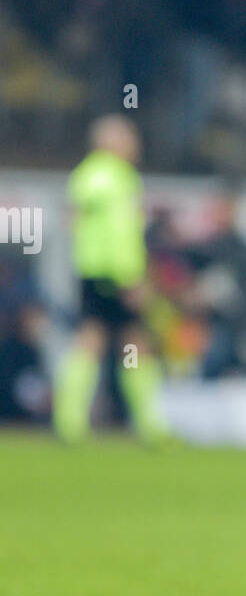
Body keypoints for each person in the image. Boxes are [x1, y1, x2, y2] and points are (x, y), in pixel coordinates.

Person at [53, 115, 167, 443]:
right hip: (113, 274)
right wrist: (130, 278)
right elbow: (119, 233)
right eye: (130, 138)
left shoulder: (88, 175)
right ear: (112, 142)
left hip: (94, 271)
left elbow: (76, 220)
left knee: (96, 339)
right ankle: (148, 423)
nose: (135, 145)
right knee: (130, 344)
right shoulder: (113, 177)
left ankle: (71, 420)